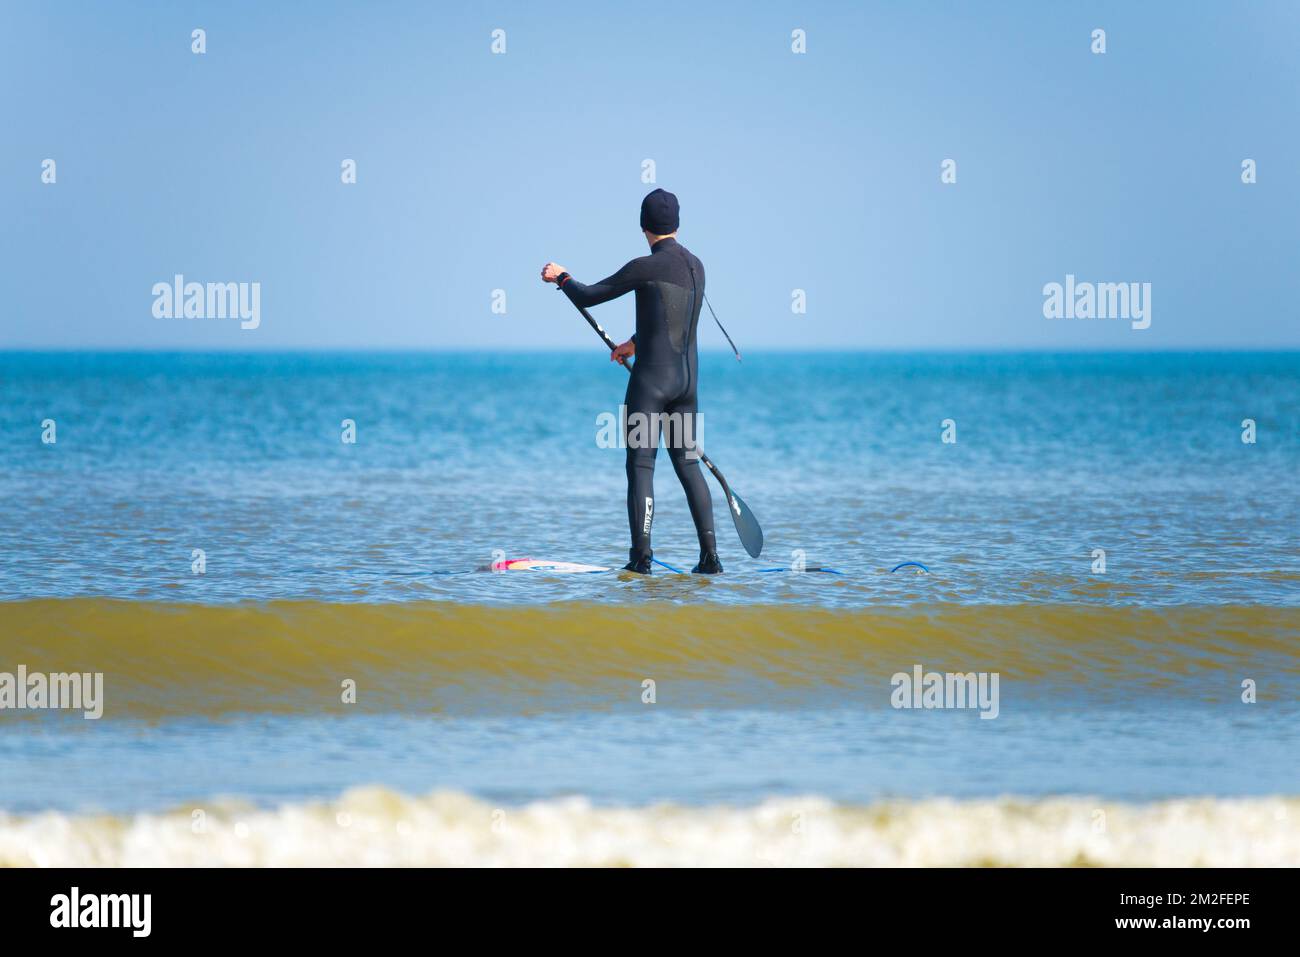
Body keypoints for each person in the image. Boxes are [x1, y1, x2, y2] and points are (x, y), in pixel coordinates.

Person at [541, 188, 721, 574]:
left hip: (651, 385)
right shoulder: (698, 266)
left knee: (641, 467)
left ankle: (641, 560)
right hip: (687, 386)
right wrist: (633, 343)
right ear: (677, 224)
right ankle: (710, 560)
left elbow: (588, 296)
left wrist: (562, 277)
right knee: (689, 466)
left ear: (643, 226)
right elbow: (676, 321)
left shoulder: (645, 265)